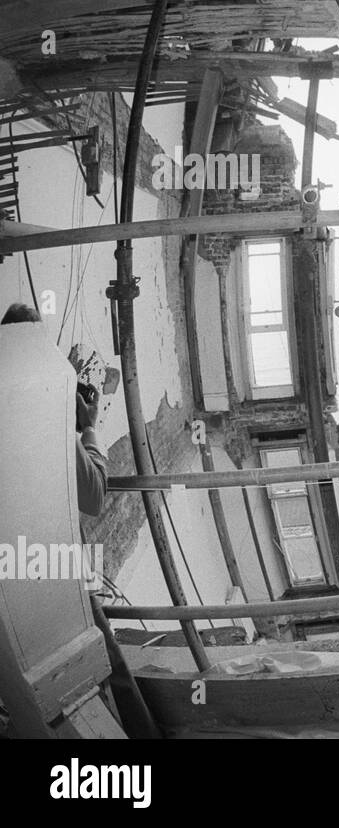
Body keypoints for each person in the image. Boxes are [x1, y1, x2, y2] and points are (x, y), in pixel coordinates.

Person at [1, 303, 160, 736]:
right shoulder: (32, 408)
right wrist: (85, 429)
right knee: (107, 668)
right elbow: (91, 494)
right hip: (44, 568)